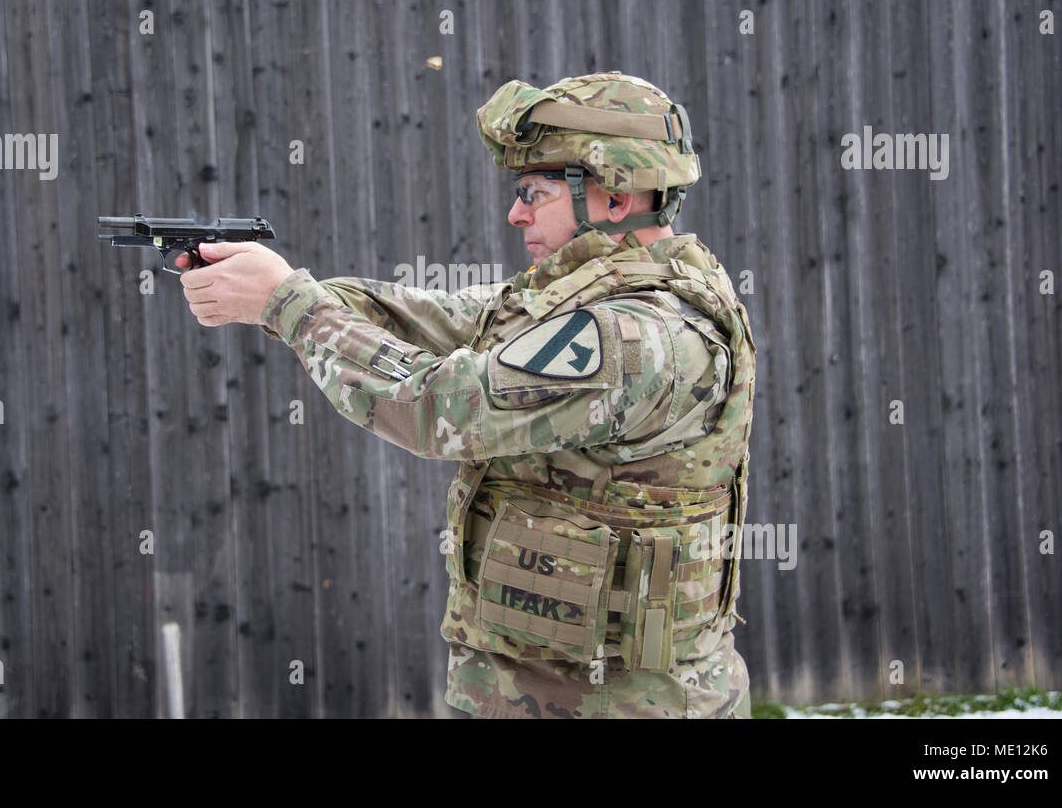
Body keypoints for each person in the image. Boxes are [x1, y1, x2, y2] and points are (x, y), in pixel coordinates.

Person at [177, 71, 757, 718]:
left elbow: (437, 407)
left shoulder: (637, 338)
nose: (516, 213)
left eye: (534, 192)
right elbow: (444, 316)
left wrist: (289, 304)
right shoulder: (593, 296)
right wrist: (288, 291)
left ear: (616, 198)